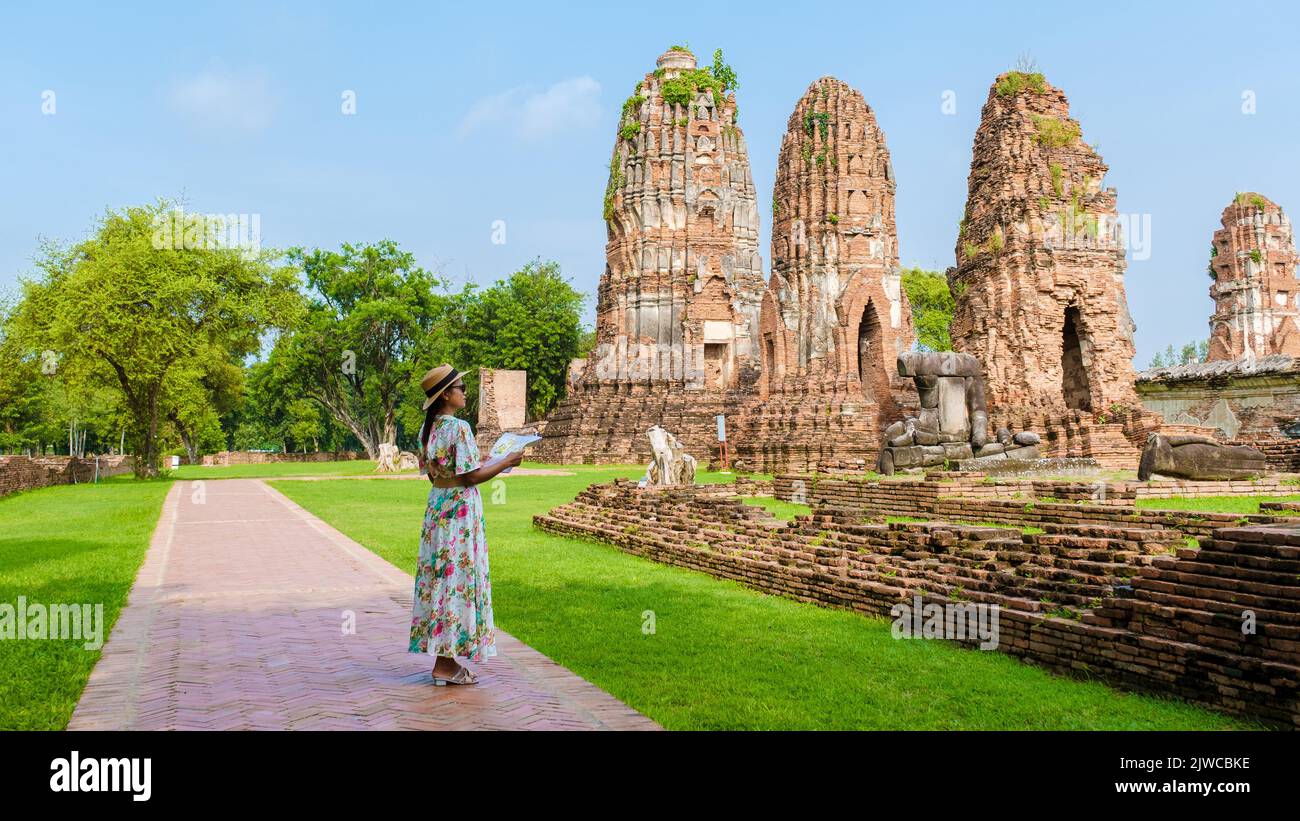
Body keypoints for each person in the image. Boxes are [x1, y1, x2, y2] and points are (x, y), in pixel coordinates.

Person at [408, 364, 523, 685]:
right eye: (461, 388)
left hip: (438, 508)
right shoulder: (458, 428)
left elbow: (436, 475)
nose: (465, 393)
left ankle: (444, 658)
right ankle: (445, 664)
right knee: (457, 578)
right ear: (446, 394)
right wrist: (506, 462)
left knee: (442, 581)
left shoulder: (426, 430)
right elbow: (471, 477)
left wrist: (488, 461)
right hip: (460, 512)